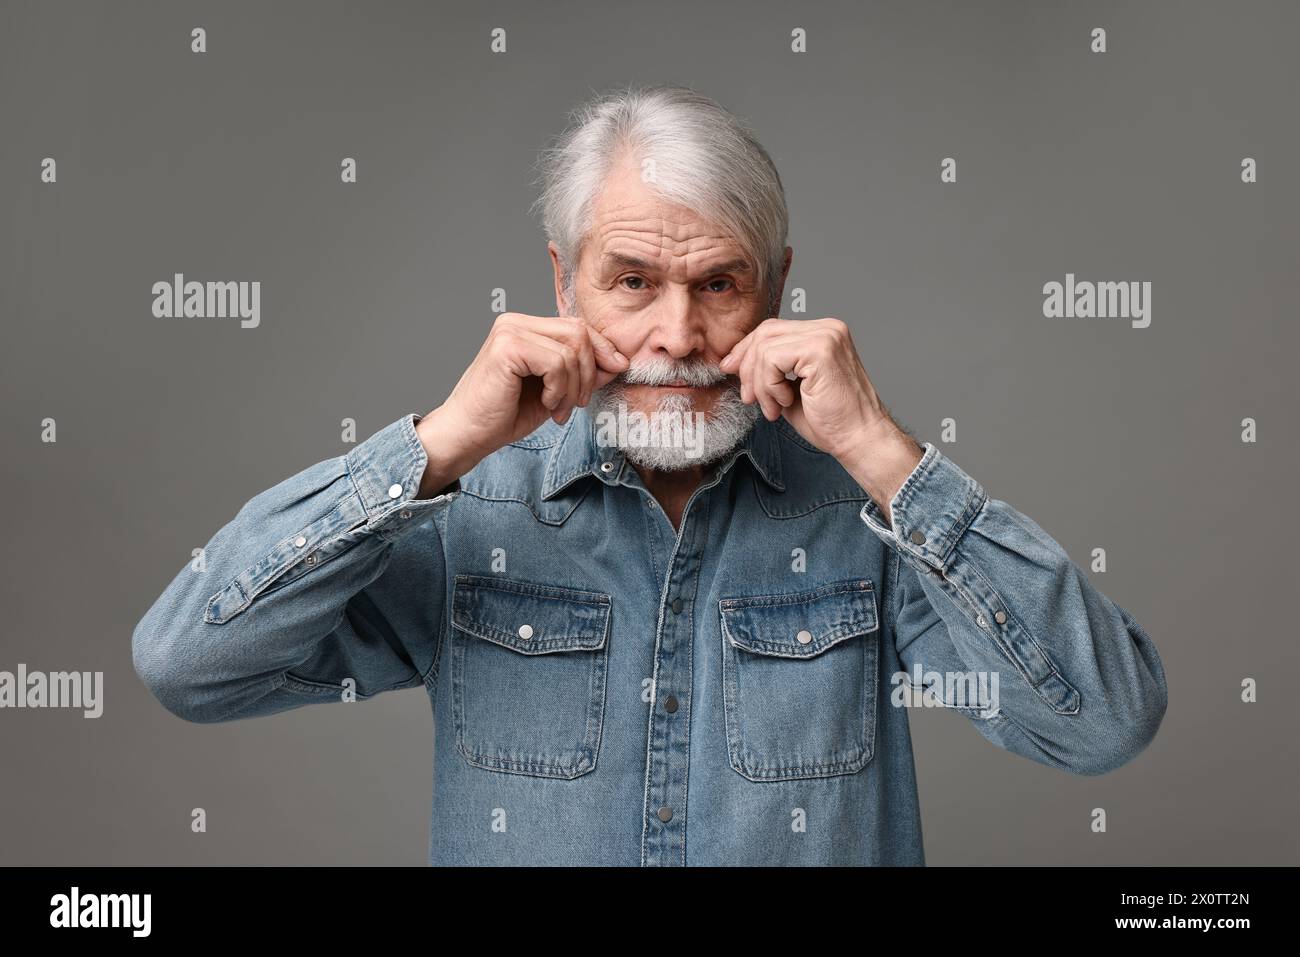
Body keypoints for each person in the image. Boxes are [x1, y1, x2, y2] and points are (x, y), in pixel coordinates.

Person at [132, 83, 1168, 866]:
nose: (676, 334)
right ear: (560, 283)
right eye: (630, 282)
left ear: (780, 291)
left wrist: (886, 456)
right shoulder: (467, 508)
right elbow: (190, 664)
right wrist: (437, 445)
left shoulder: (865, 512)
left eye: (719, 283)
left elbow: (1103, 723)